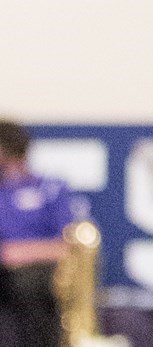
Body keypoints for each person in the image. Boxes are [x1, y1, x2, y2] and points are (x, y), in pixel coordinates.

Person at [0, 120, 76, 347]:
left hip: (38, 276)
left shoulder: (51, 189)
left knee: (28, 285)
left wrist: (18, 253)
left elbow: (68, 244)